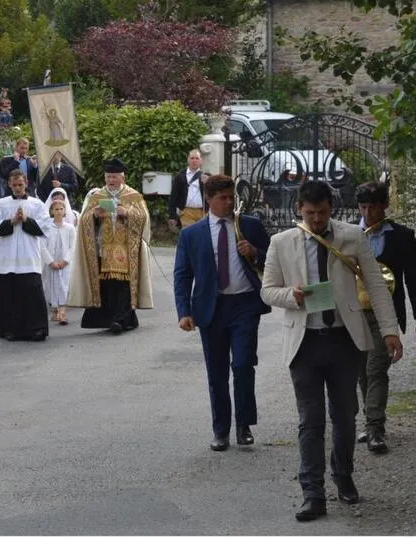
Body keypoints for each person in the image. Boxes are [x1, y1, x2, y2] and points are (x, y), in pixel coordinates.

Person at [260, 180, 402, 522]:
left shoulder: (353, 237)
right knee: (310, 420)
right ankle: (312, 493)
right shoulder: (281, 243)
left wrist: (389, 331)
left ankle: (343, 475)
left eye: (322, 213)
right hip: (304, 341)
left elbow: (377, 287)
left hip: (344, 340)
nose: (317, 219)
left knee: (344, 416)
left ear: (331, 209)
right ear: (299, 209)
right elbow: (267, 291)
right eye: (310, 214)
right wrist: (289, 296)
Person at [173, 175, 271, 452]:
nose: (228, 203)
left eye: (231, 198)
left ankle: (244, 425)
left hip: (245, 305)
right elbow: (182, 276)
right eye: (222, 199)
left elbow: (273, 258)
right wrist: (184, 311)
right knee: (217, 373)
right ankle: (220, 430)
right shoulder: (191, 235)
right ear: (209, 199)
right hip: (211, 309)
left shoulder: (249, 225)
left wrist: (254, 252)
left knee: (242, 364)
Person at [353, 181, 416, 453]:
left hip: (385, 315)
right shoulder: (349, 234)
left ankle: (376, 427)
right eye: (362, 207)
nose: (367, 213)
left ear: (384, 205)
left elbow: (413, 281)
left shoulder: (401, 236)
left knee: (376, 370)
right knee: (362, 371)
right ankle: (369, 419)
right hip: (354, 314)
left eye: (372, 207)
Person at [68, 158, 153, 334]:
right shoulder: (97, 196)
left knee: (123, 286)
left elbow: (144, 219)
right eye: (108, 177)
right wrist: (94, 216)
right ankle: (109, 319)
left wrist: (128, 213)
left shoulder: (133, 196)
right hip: (103, 249)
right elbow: (84, 220)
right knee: (106, 286)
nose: (111, 180)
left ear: (123, 177)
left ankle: (121, 320)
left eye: (114, 177)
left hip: (126, 249)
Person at [0, 169, 49, 342]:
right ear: (9, 185)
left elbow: (45, 228)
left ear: (26, 183)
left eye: (20, 184)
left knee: (32, 291)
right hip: (6, 256)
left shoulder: (37, 204)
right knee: (9, 294)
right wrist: (11, 222)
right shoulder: (1, 203)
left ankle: (37, 329)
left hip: (28, 255)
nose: (17, 188)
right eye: (14, 185)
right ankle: (10, 330)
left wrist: (27, 221)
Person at [42, 200, 76, 326]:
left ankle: (62, 311)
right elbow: (42, 245)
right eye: (56, 209)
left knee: (64, 285)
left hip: (64, 262)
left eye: (61, 209)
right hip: (51, 262)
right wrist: (50, 261)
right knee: (50, 284)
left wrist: (65, 260)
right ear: (51, 211)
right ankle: (54, 309)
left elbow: (72, 246)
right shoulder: (46, 228)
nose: (58, 211)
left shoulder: (69, 228)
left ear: (64, 211)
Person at [168, 149, 208, 229]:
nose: (194, 161)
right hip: (186, 212)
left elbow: (215, 193)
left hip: (203, 212)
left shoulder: (206, 176)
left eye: (197, 158)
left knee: (203, 237)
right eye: (192, 158)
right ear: (188, 160)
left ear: (201, 161)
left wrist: (209, 182)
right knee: (189, 236)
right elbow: (173, 196)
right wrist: (172, 215)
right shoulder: (180, 176)